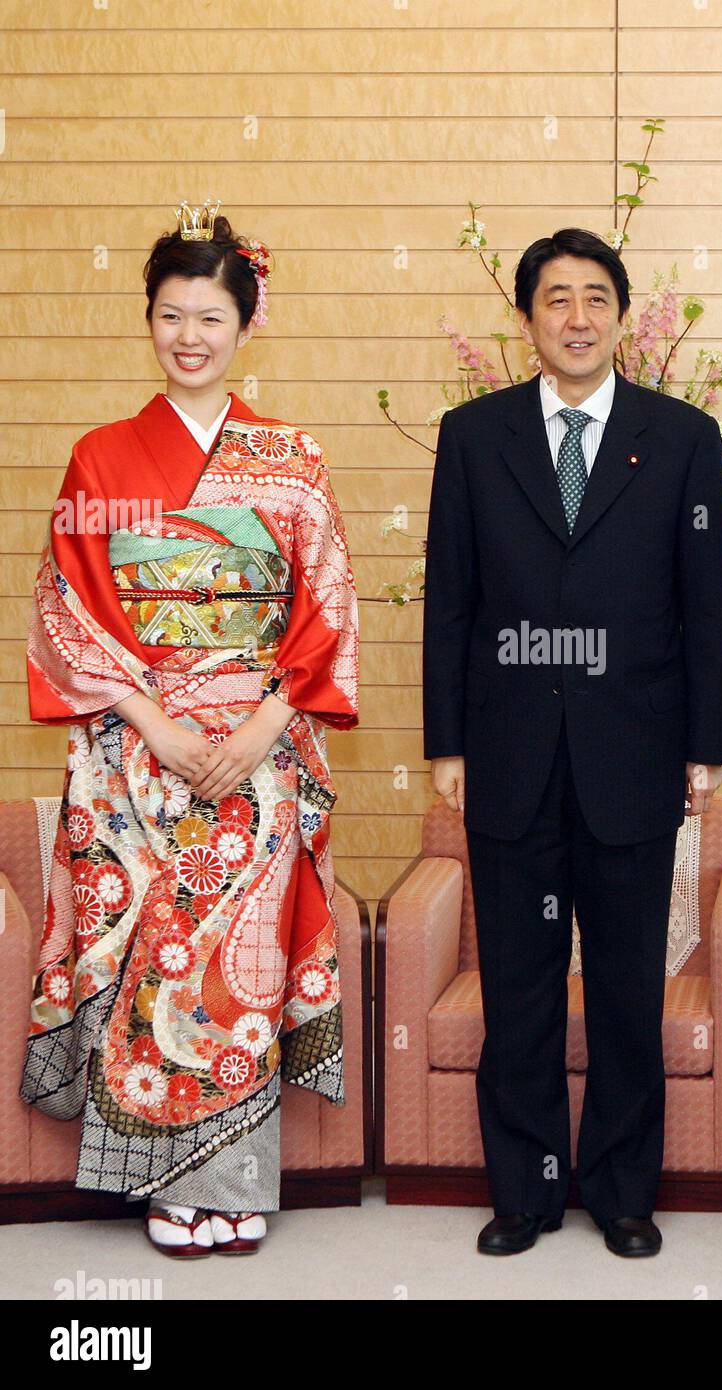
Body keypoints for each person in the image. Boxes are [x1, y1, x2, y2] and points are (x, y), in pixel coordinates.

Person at [21, 200, 359, 1257]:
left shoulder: (291, 460)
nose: (190, 337)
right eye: (171, 315)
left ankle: (235, 1180)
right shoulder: (100, 458)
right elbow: (66, 610)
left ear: (247, 326)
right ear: (151, 321)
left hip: (258, 737)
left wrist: (265, 725)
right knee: (155, 946)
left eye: (211, 317)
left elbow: (324, 607)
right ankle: (165, 1184)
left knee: (239, 954)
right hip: (139, 744)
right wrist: (152, 726)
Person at [422, 227, 722, 1257]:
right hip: (509, 750)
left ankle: (619, 1190)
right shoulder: (473, 438)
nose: (576, 317)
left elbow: (703, 606)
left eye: (595, 297)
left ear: (621, 314)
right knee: (516, 982)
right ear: (526, 321)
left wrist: (705, 744)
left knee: (624, 989)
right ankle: (523, 1191)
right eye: (555, 299)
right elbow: (451, 603)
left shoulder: (682, 438)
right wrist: (446, 743)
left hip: (634, 753)